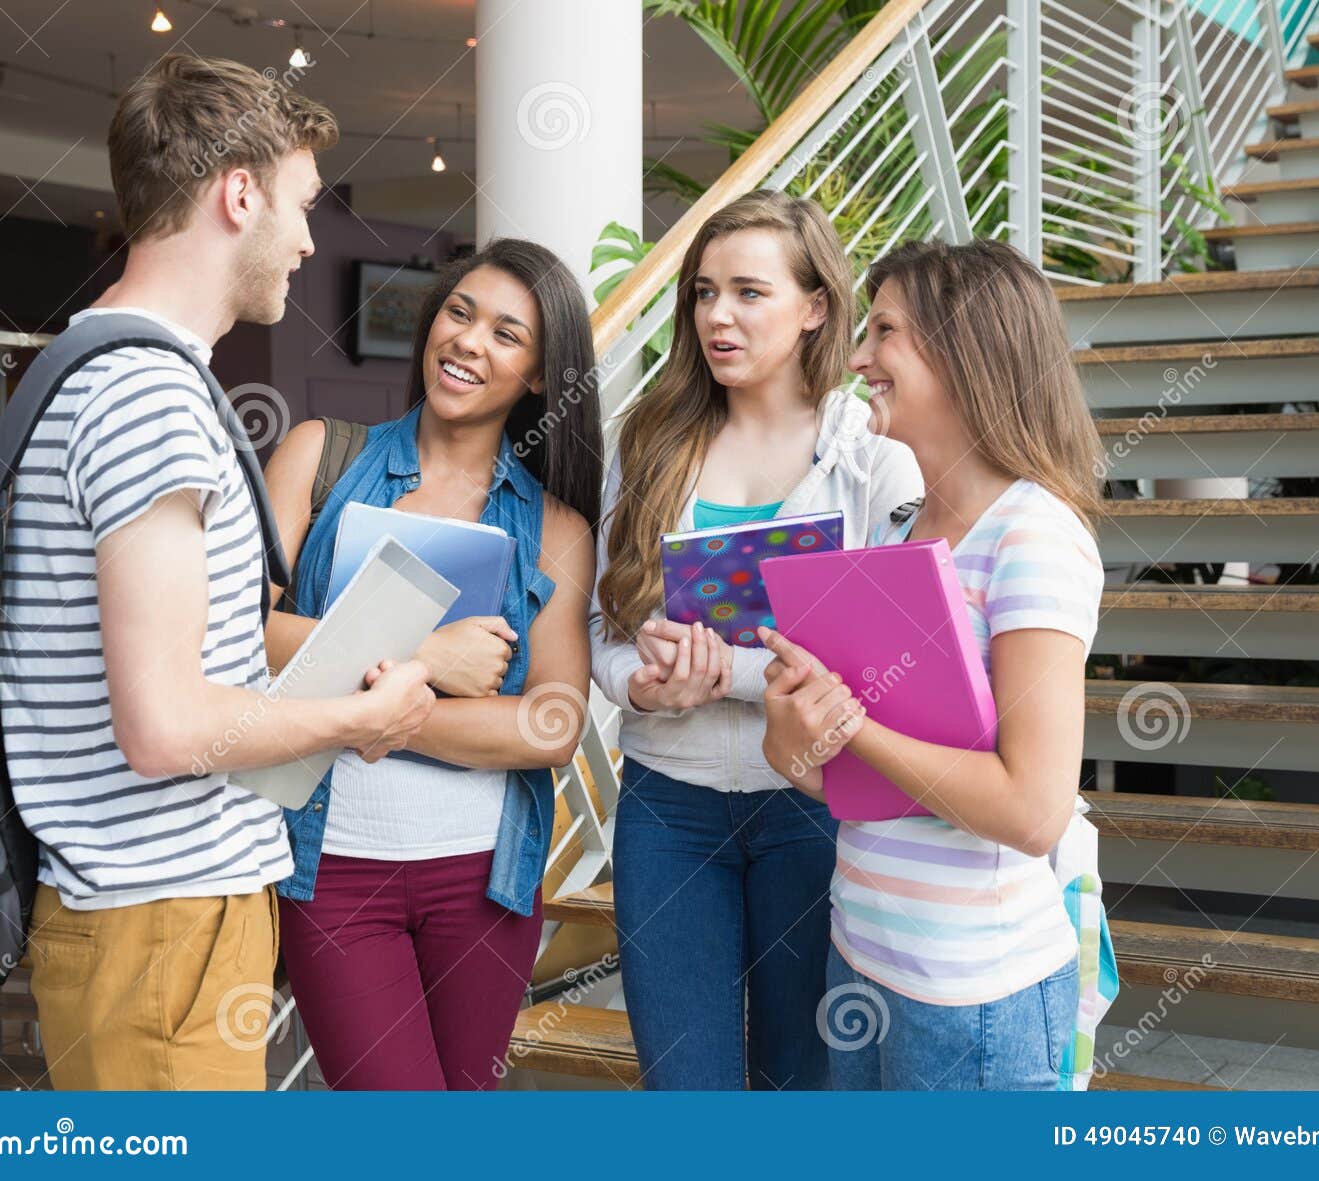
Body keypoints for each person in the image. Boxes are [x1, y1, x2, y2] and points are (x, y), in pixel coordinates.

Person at [7, 55, 436, 1091]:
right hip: (164, 928)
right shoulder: (148, 401)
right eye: (297, 204)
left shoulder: (94, 366)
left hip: (153, 926)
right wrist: (351, 721)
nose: (303, 238)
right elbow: (164, 726)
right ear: (236, 194)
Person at [590, 189, 922, 1090]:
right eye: (703, 292)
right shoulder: (651, 442)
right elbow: (602, 625)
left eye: (748, 292)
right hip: (667, 806)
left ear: (816, 307)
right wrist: (642, 687)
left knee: (799, 1084)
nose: (717, 316)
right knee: (683, 1085)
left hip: (810, 801)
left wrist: (725, 672)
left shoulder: (872, 457)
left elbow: (879, 662)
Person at [760, 238, 1106, 1091]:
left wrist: (854, 726)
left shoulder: (1035, 537)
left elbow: (1032, 810)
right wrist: (794, 734)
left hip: (971, 994)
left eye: (884, 333)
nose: (857, 357)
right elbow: (848, 783)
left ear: (963, 349)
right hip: (864, 953)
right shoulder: (899, 528)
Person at [262, 239, 601, 1090]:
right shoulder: (318, 456)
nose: (469, 341)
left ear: (535, 376)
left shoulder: (557, 528)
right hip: (332, 872)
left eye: (507, 334)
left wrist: (366, 710)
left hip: (482, 881)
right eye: (460, 312)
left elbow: (552, 724)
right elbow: (239, 633)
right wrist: (426, 655)